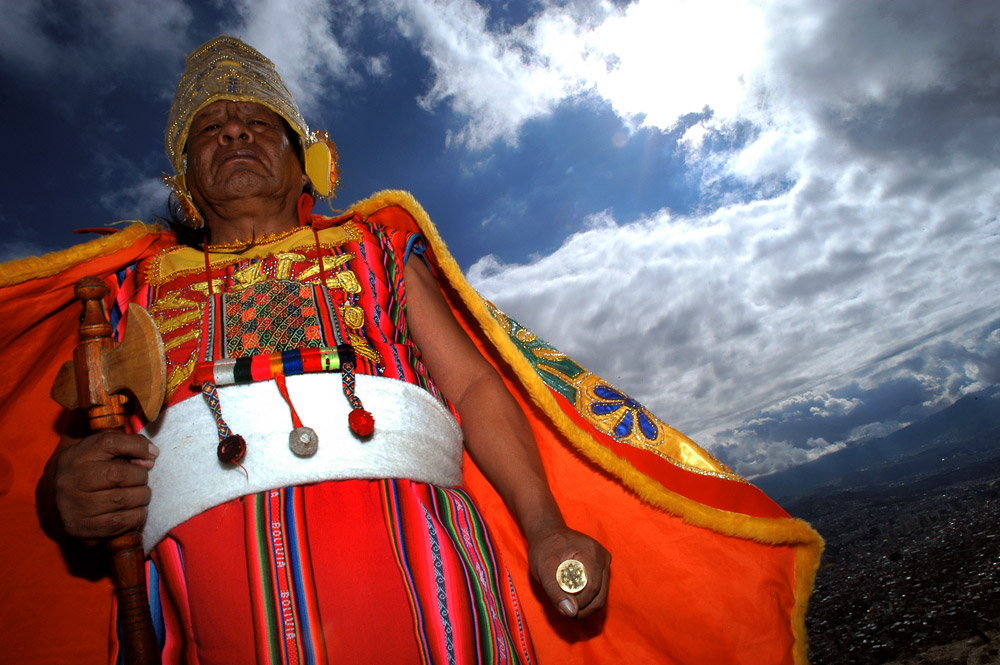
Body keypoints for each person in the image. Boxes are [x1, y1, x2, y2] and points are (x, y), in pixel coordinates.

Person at [0, 35, 822, 665]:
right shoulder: (126, 297)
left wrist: (546, 527)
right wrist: (60, 495)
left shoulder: (380, 254)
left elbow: (474, 391)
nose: (236, 132)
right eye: (210, 129)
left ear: (306, 162)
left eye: (260, 124)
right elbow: (85, 452)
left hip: (441, 614)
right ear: (184, 181)